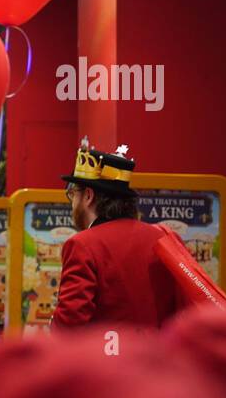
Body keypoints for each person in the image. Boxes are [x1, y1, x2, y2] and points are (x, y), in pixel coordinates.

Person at [50, 140, 185, 331]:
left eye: (73, 194)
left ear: (88, 196)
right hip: (160, 357)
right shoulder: (164, 237)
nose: (72, 203)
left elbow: (70, 323)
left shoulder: (83, 244)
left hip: (107, 359)